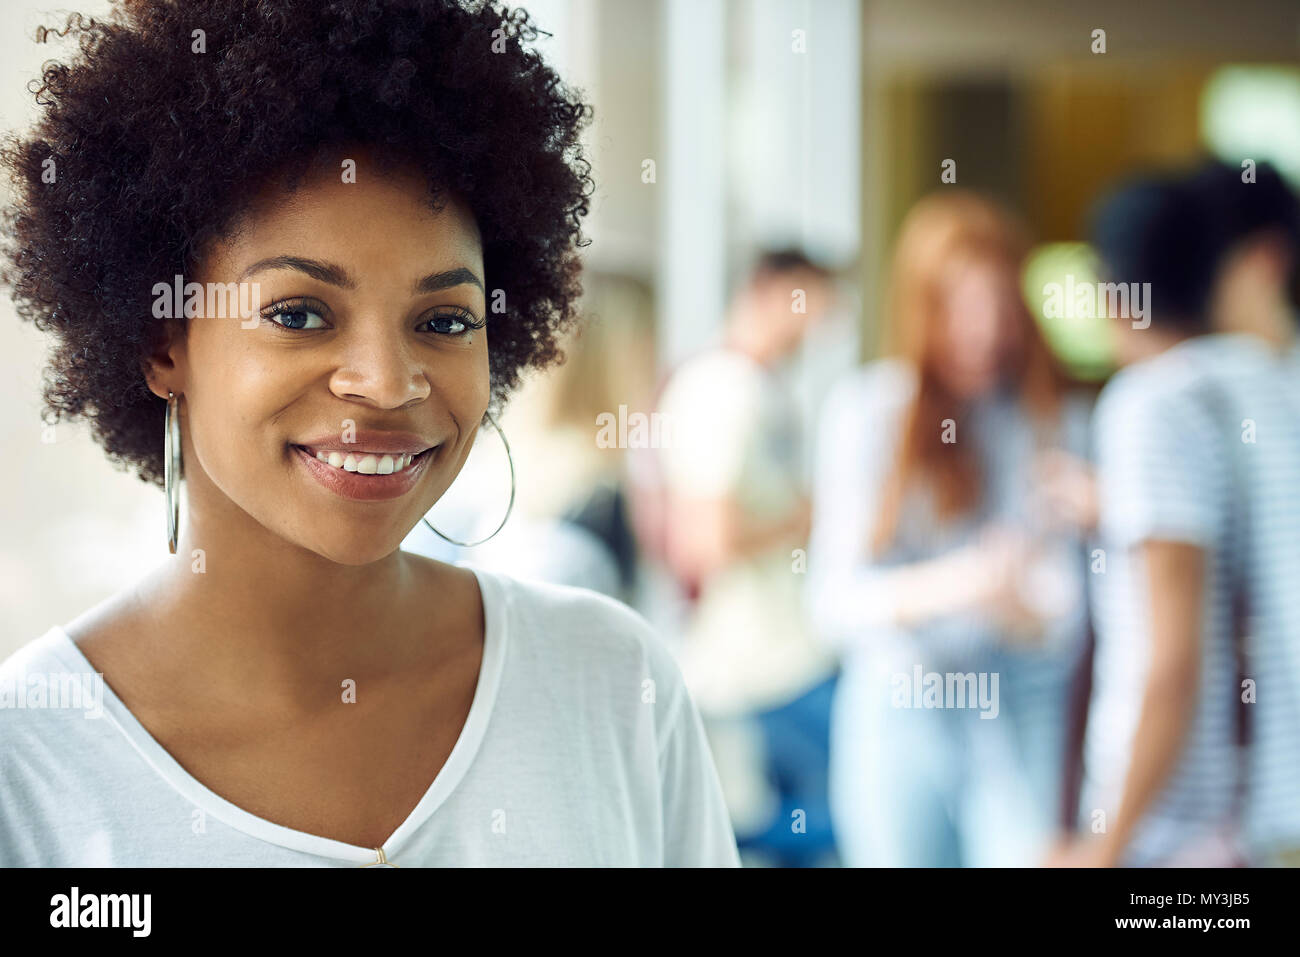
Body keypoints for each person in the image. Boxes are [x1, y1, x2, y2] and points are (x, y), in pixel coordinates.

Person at [0, 0, 739, 868]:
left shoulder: (611, 684)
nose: (387, 383)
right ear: (163, 342)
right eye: (301, 312)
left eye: (446, 320)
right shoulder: (31, 766)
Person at [808, 191, 1095, 867]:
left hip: (1020, 707)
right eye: (960, 304)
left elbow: (1073, 605)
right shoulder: (868, 412)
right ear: (920, 305)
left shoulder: (1051, 420)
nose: (984, 328)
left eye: (998, 302)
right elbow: (831, 603)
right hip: (898, 708)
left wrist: (1028, 607)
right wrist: (964, 583)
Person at [1053, 163, 1300, 867]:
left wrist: (1105, 843)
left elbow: (1172, 662)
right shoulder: (1271, 380)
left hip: (1190, 836)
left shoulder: (1152, 404)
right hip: (1274, 817)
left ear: (1115, 296)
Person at [653, 249, 842, 865]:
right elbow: (706, 542)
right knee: (831, 817)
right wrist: (814, 516)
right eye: (809, 304)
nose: (818, 324)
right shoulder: (723, 389)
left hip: (782, 651)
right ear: (767, 292)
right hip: (765, 660)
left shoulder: (758, 385)